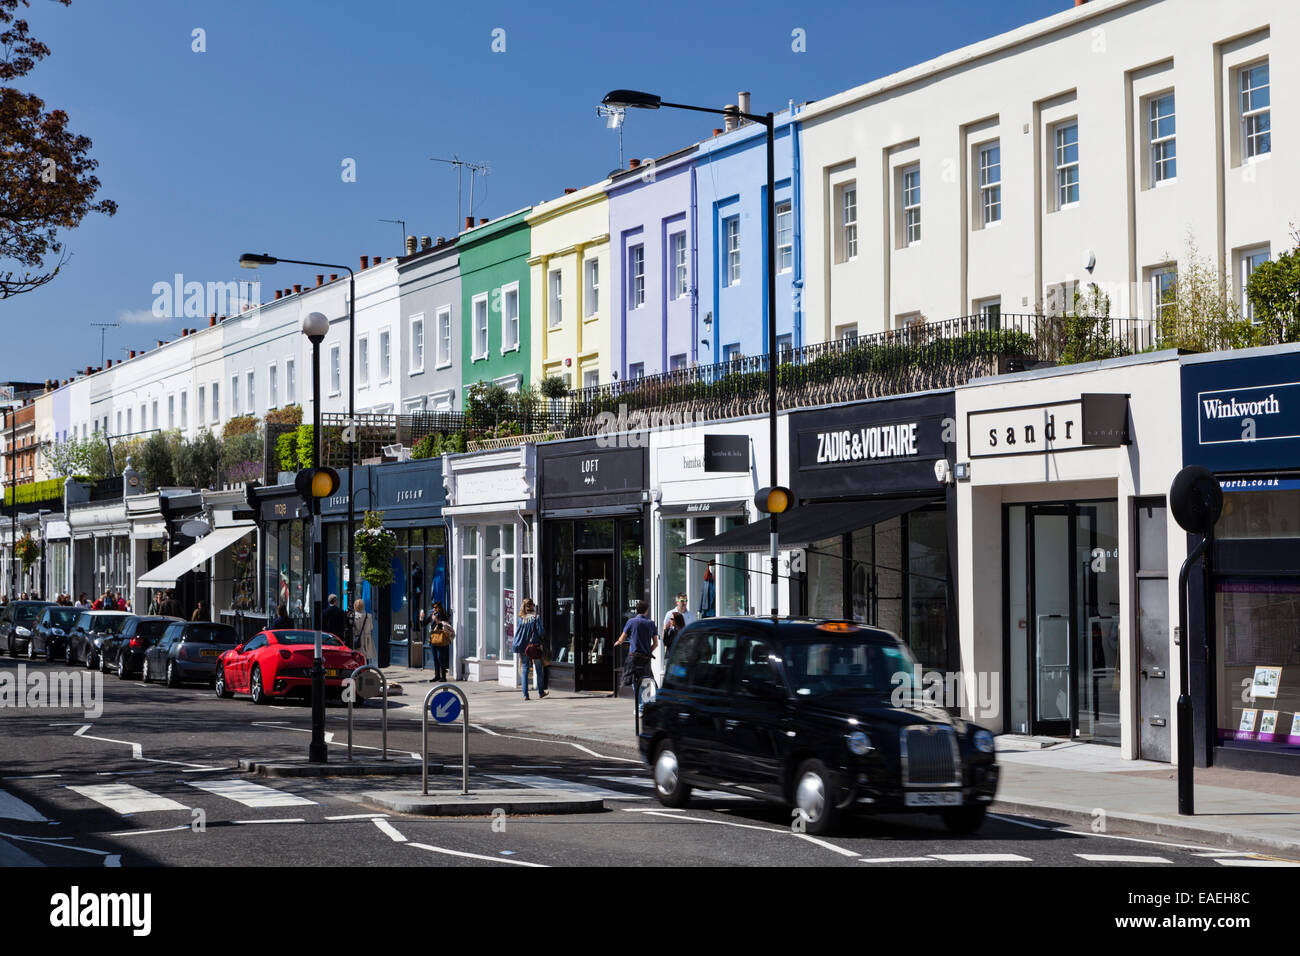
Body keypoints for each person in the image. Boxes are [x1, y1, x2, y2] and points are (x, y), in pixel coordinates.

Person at [615, 600, 658, 711]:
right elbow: (656, 644)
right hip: (645, 658)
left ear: (636, 610)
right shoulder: (651, 623)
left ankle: (640, 706)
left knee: (635, 681)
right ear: (646, 611)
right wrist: (649, 652)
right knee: (646, 681)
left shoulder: (631, 622)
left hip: (633, 657)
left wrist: (617, 643)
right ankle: (644, 706)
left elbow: (621, 639)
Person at [510, 598, 546, 700]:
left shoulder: (520, 618)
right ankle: (541, 692)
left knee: (525, 669)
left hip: (522, 646)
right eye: (533, 605)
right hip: (533, 646)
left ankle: (525, 695)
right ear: (532, 606)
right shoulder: (536, 617)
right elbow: (541, 632)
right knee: (538, 669)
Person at [423, 601, 453, 683]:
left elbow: (443, 627)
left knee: (441, 658)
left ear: (440, 608)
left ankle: (443, 677)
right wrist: (421, 618)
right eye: (433, 607)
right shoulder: (432, 616)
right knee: (435, 658)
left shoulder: (444, 616)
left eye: (436, 607)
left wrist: (436, 620)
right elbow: (424, 624)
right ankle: (437, 676)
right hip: (433, 639)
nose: (434, 609)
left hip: (441, 639)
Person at [352, 598, 376, 666]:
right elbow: (371, 627)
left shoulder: (353, 616)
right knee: (366, 656)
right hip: (367, 638)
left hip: (357, 639)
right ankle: (366, 670)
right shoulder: (369, 616)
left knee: (358, 656)